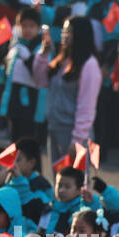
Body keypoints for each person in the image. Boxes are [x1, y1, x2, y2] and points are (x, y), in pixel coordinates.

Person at [34, 16, 102, 166]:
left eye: (69, 32)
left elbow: (87, 106)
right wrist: (43, 55)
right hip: (55, 128)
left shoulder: (89, 65)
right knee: (60, 182)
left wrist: (77, 140)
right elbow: (40, 82)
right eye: (64, 31)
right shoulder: (62, 60)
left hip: (74, 133)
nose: (65, 35)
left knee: (76, 182)